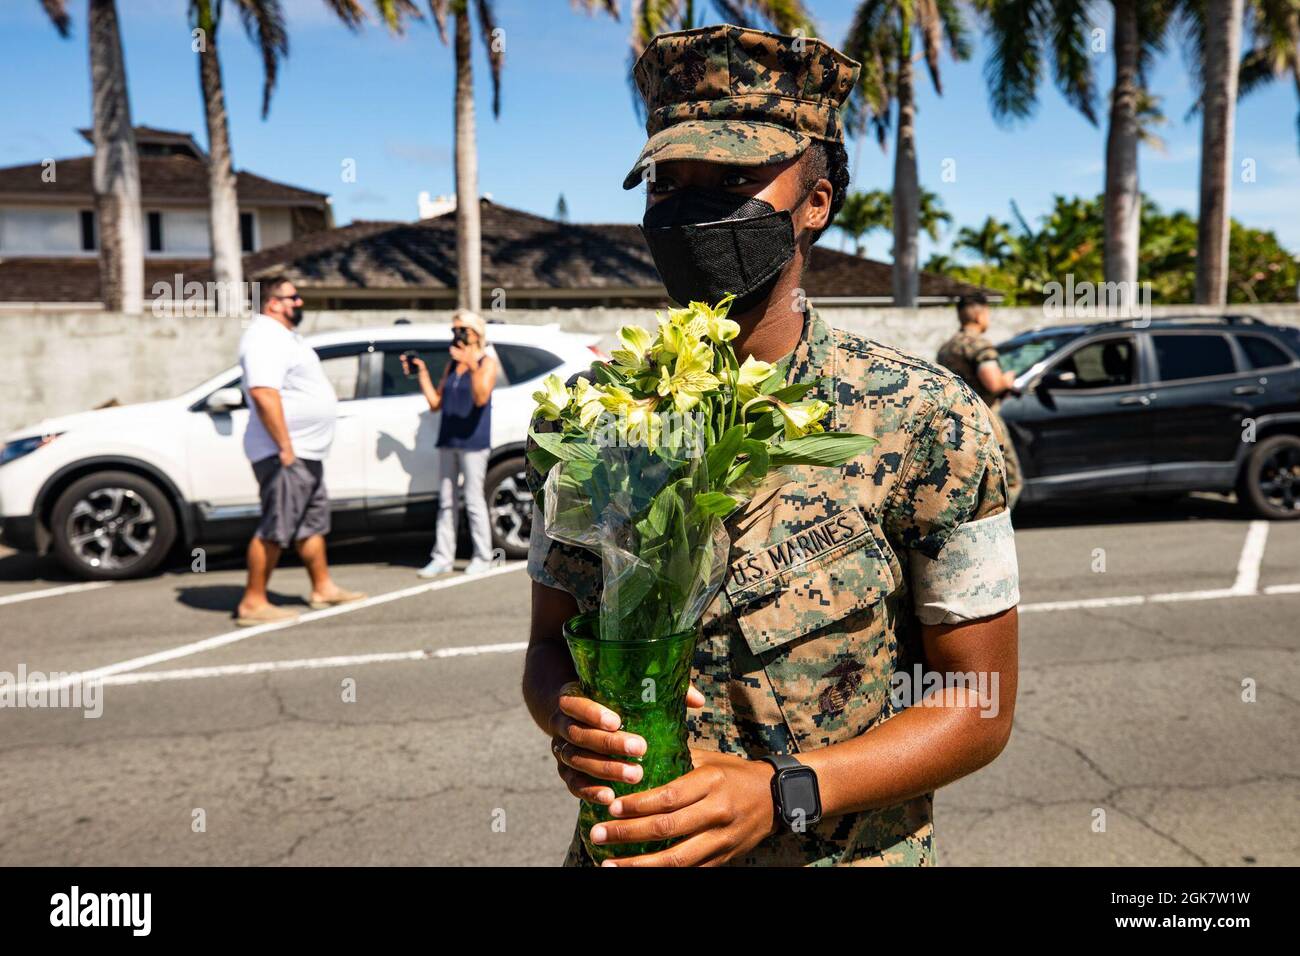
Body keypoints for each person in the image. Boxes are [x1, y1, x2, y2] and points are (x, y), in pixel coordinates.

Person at [521, 24, 1021, 867]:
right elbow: (546, 647)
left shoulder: (926, 419)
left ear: (815, 204)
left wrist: (789, 791)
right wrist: (573, 714)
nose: (691, 208)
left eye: (732, 180)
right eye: (667, 182)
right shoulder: (598, 422)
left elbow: (977, 704)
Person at [234, 276, 366, 626]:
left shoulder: (285, 338)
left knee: (311, 524)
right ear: (272, 302)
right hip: (285, 454)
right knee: (277, 526)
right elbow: (264, 393)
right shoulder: (263, 337)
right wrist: (285, 447)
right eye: (292, 297)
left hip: (305, 452)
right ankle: (253, 602)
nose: (299, 303)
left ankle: (322, 588)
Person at [402, 310, 497, 578]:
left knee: (474, 498)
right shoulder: (452, 364)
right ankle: (442, 557)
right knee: (446, 501)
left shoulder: (487, 362)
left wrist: (472, 362)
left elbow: (480, 398)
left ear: (476, 333)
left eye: (461, 330)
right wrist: (421, 372)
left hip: (473, 441)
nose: (456, 335)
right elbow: (435, 404)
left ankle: (482, 556)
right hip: (449, 438)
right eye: (454, 330)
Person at [936, 293, 1024, 507]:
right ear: (980, 315)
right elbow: (993, 383)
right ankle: (997, 526)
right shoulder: (978, 346)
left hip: (955, 424)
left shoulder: (946, 349)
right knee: (1009, 480)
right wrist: (1008, 379)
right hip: (986, 420)